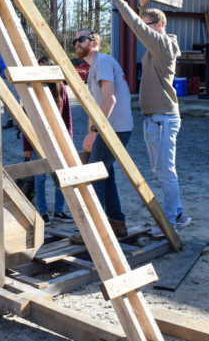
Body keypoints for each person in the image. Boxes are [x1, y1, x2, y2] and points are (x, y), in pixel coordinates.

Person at [112, 0, 190, 239]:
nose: (143, 32)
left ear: (158, 26)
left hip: (163, 119)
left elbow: (136, 26)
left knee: (166, 171)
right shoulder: (158, 46)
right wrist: (142, 5)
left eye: (148, 27)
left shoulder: (164, 46)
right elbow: (142, 25)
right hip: (155, 119)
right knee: (161, 171)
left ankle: (170, 221)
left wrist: (120, 0)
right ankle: (177, 213)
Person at [74, 28, 133, 238]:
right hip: (109, 129)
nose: (77, 43)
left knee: (93, 176)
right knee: (106, 176)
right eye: (75, 41)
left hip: (115, 130)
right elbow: (96, 105)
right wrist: (91, 133)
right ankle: (117, 225)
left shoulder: (103, 61)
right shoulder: (94, 68)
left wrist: (93, 131)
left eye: (82, 39)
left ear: (95, 42)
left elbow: (110, 98)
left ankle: (94, 232)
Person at [22, 56, 73, 224]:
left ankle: (59, 210)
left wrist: (69, 139)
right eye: (38, 68)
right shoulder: (31, 90)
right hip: (38, 138)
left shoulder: (61, 89)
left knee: (61, 174)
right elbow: (25, 120)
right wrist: (27, 145)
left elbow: (66, 117)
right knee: (40, 176)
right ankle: (43, 212)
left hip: (58, 138)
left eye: (44, 68)